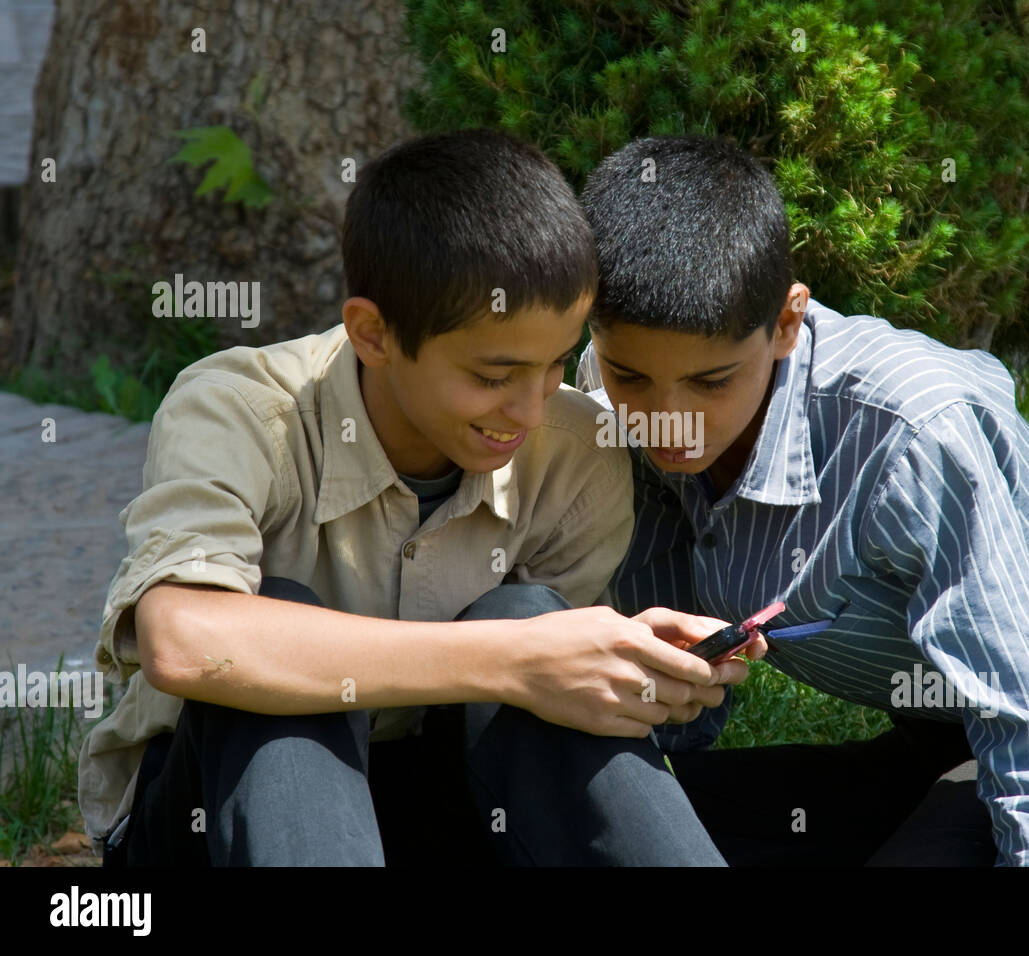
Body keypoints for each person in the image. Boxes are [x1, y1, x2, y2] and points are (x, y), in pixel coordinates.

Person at [78, 129, 750, 867]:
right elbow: (184, 639)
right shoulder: (237, 408)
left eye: (557, 363)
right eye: (493, 377)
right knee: (276, 642)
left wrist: (609, 665)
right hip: (216, 818)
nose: (529, 411)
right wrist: (517, 658)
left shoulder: (576, 446)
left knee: (531, 617)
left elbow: (537, 726)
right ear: (373, 333)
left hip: (442, 808)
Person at [573, 134, 1029, 866]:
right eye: (631, 376)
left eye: (711, 382)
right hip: (938, 738)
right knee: (597, 833)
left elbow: (1023, 714)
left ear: (787, 322)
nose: (671, 420)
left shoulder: (912, 429)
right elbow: (672, 683)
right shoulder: (602, 389)